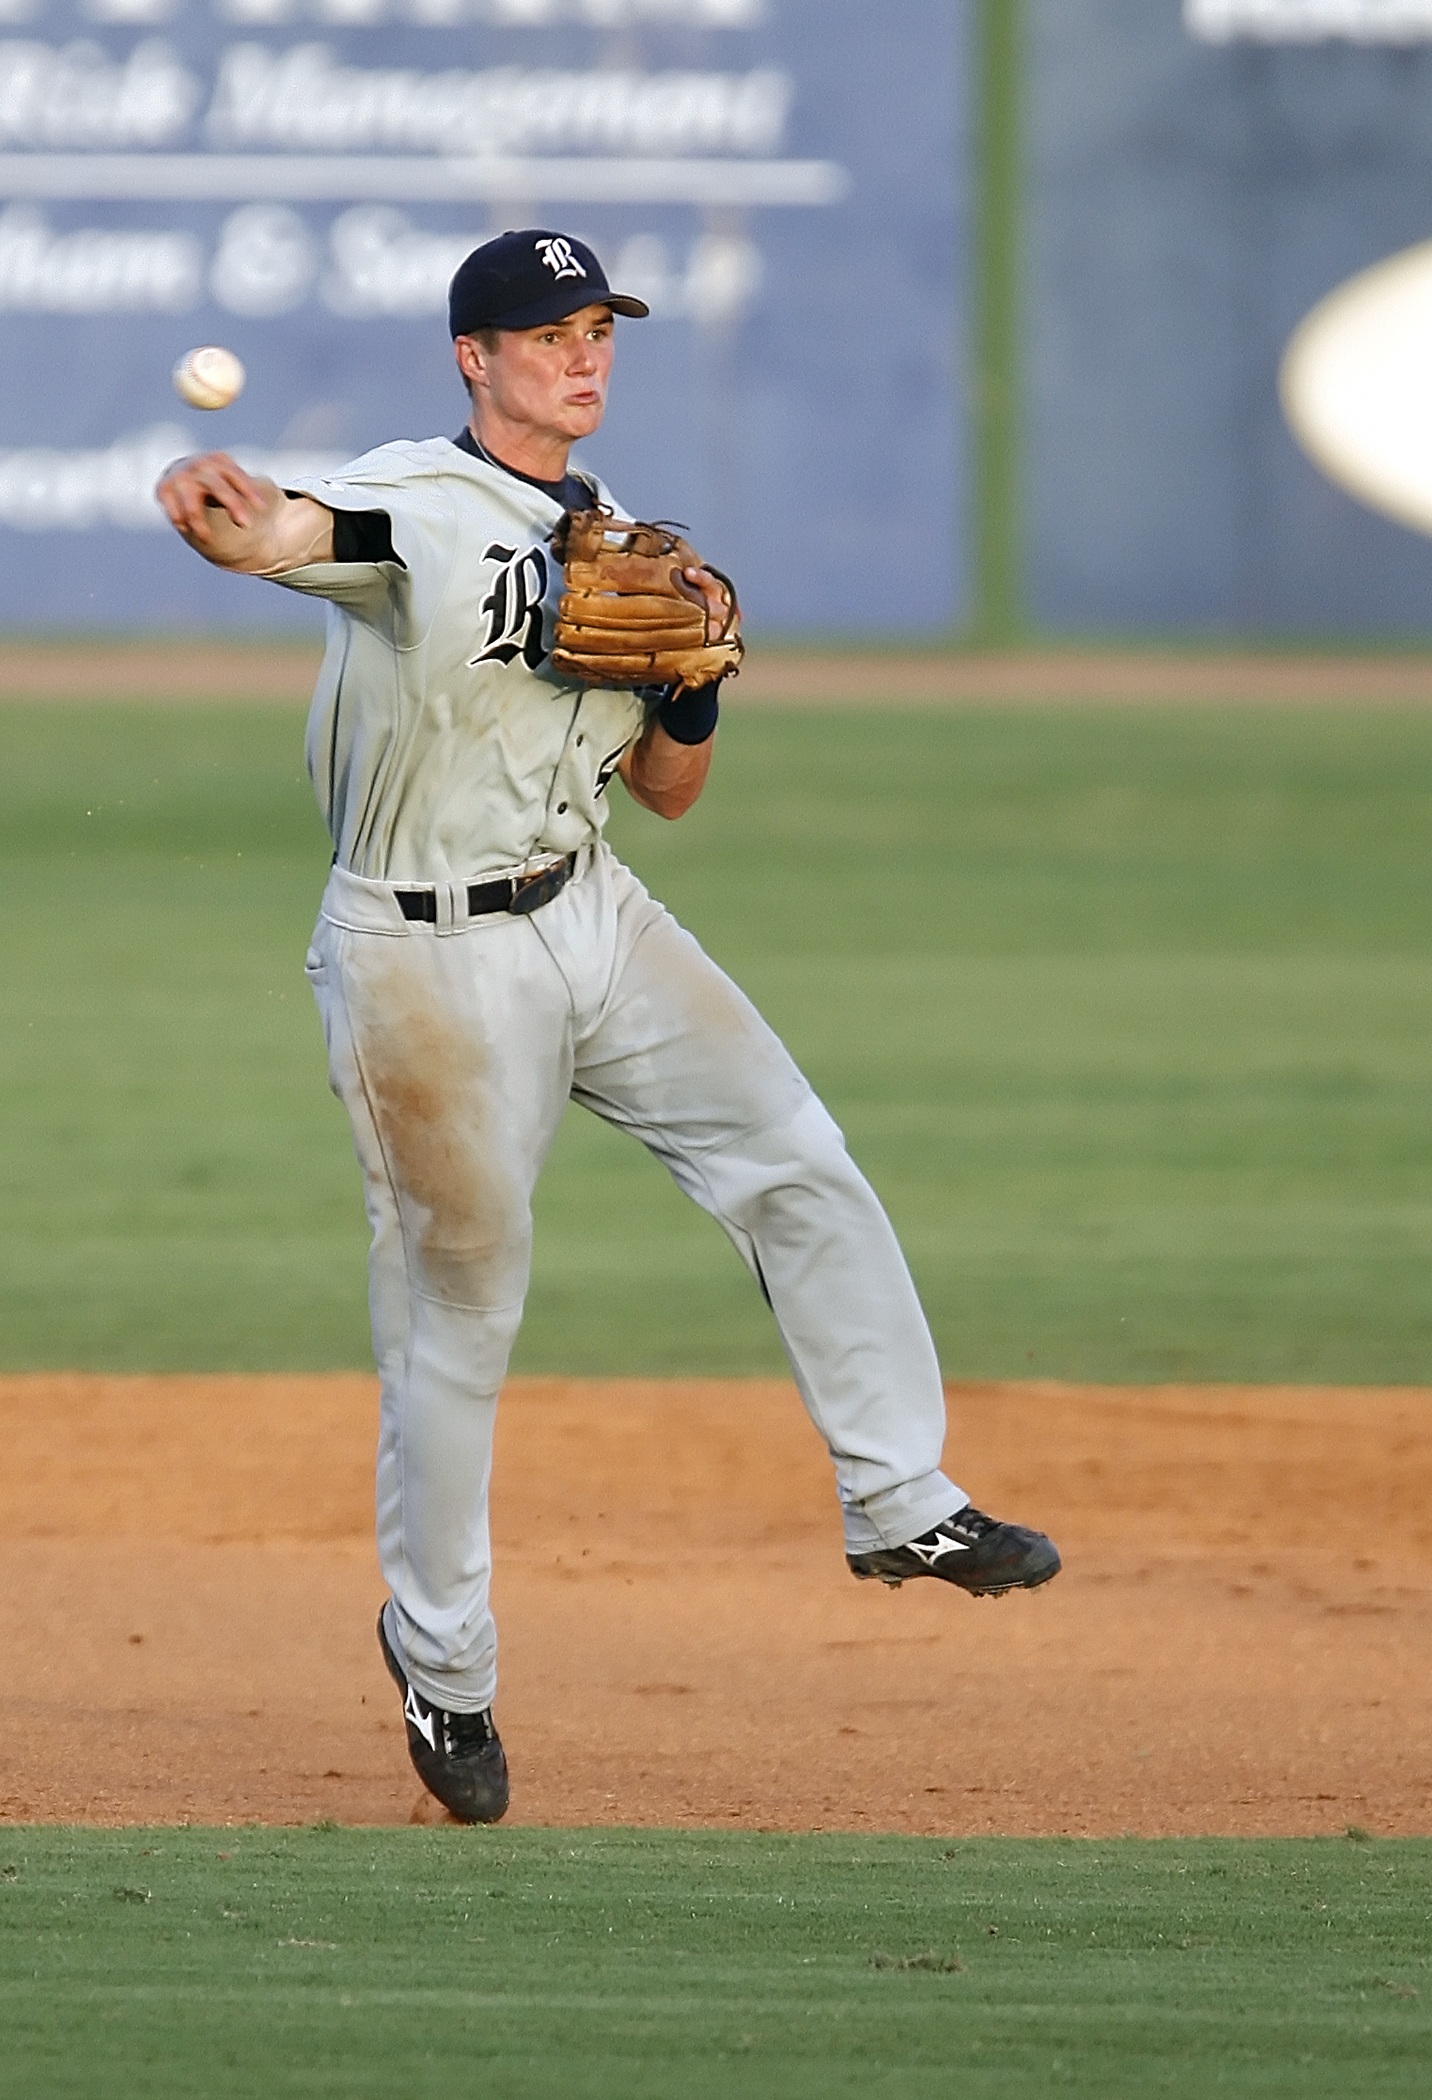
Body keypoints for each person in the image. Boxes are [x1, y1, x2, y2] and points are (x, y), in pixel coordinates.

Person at [156, 229, 1061, 1825]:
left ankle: (900, 1497)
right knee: (463, 1311)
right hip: (424, 957)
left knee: (796, 1157)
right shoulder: (411, 507)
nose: (582, 355)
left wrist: (698, 691)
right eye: (547, 332)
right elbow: (294, 535)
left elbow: (669, 789)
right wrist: (229, 515)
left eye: (598, 330)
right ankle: (443, 1668)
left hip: (594, 905)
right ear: (474, 357)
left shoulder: (625, 537)